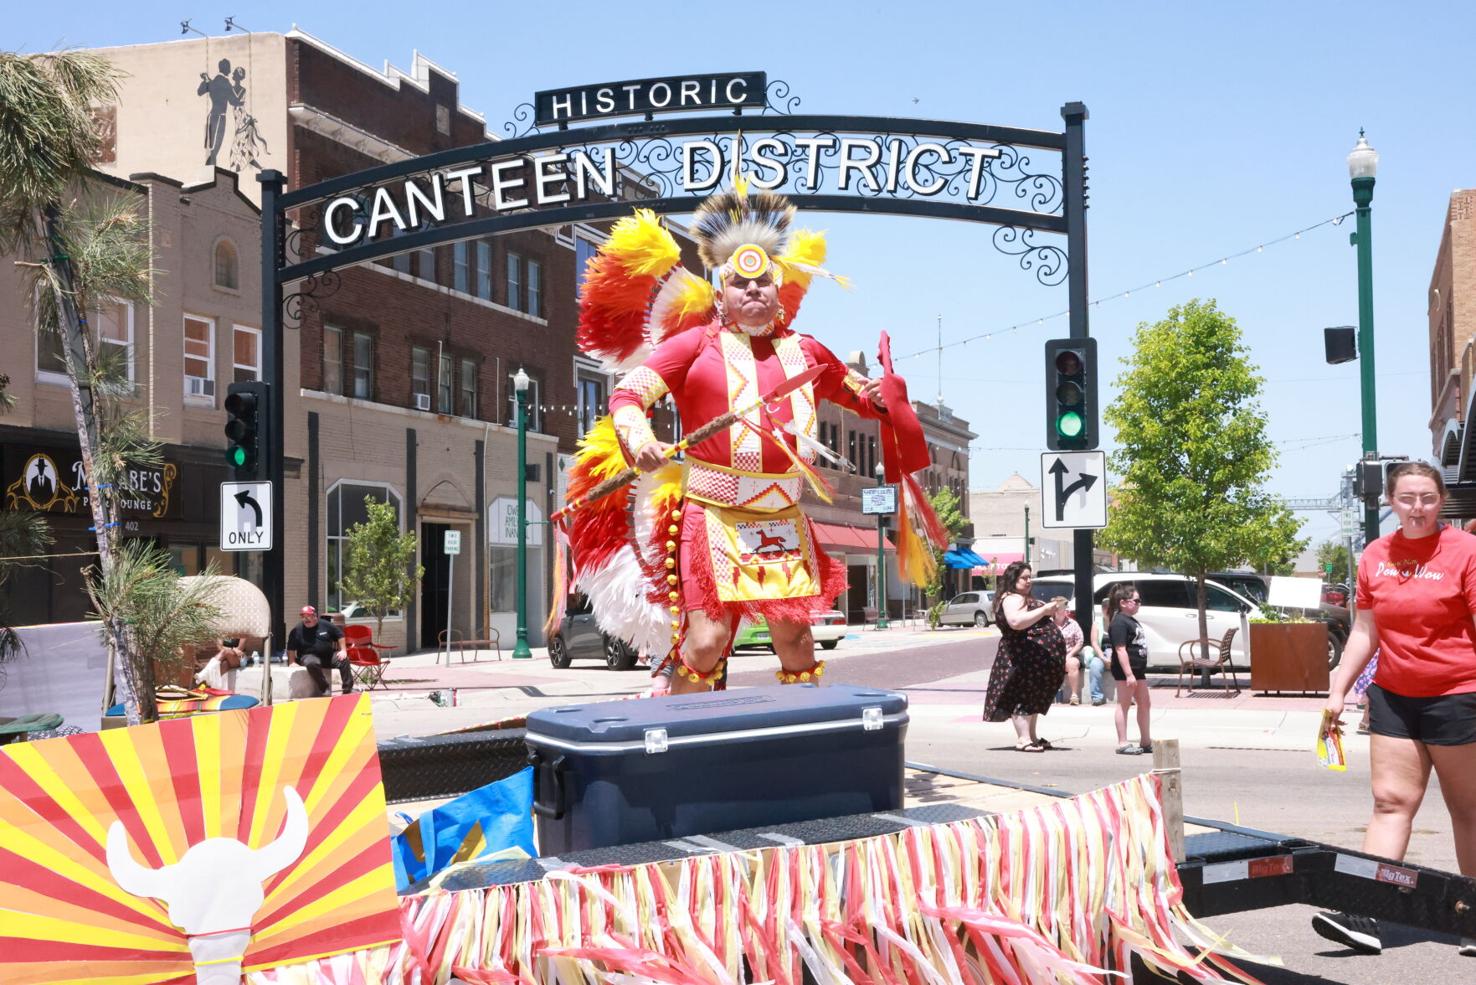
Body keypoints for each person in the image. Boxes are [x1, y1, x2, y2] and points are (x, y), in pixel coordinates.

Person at [556, 180, 944, 694]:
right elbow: (628, 396)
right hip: (711, 513)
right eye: (740, 283)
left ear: (779, 292)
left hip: (782, 514)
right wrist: (640, 438)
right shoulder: (694, 345)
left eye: (763, 283)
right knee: (706, 641)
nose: (753, 291)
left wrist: (883, 394)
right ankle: (678, 742)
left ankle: (799, 744)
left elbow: (862, 397)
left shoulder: (809, 353)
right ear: (721, 294)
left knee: (798, 643)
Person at [1313, 462, 1476, 958]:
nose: (1418, 508)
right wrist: (1338, 689)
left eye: (1427, 497)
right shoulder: (1375, 556)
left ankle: (1472, 913)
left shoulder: (1465, 551)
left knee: (1467, 809)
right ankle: (1368, 912)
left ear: (1440, 499)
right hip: (1393, 695)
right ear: (1391, 500)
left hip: (1458, 693)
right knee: (1389, 803)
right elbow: (1365, 630)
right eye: (1407, 498)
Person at [983, 563, 1067, 751]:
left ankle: (1031, 737)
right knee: (1023, 697)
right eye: (1024, 577)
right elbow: (1016, 622)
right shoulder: (1011, 598)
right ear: (1013, 579)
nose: (1029, 581)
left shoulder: (1019, 597)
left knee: (1032, 698)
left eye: (1030, 577)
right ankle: (1024, 739)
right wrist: (1044, 610)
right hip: (1021, 657)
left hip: (1031, 658)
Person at [1107, 584, 1152, 755]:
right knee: (1124, 704)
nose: (1139, 603)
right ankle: (1122, 742)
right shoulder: (1119, 622)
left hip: (1138, 670)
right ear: (1124, 602)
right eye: (1137, 601)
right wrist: (1128, 674)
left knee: (1145, 703)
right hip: (1126, 671)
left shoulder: (1131, 620)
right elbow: (1120, 649)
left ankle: (1146, 741)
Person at [286, 605, 351, 697]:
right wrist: (291, 662)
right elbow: (291, 647)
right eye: (303, 617)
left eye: (308, 616)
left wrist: (343, 650)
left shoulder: (325, 625)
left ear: (315, 616)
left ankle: (348, 690)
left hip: (328, 656)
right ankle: (324, 688)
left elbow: (340, 635)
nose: (306, 619)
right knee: (311, 663)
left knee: (343, 660)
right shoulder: (297, 630)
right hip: (309, 656)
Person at [1055, 599, 1104, 705]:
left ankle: (1074, 695)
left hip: (1070, 654)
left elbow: (1080, 641)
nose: (1067, 610)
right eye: (1065, 608)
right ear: (1057, 609)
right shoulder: (1048, 624)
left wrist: (1070, 654)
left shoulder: (1073, 624)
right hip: (1053, 655)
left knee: (1072, 663)